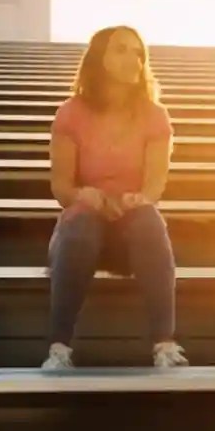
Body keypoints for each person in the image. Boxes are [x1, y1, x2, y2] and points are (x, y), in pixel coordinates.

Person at [41, 25, 189, 370]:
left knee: (147, 220)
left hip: (131, 235)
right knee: (82, 223)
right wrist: (84, 195)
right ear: (99, 57)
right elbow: (61, 188)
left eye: (138, 53)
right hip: (83, 232)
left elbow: (154, 186)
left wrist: (139, 199)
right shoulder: (71, 113)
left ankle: (164, 345)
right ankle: (59, 348)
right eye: (121, 50)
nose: (133, 59)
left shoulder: (154, 116)